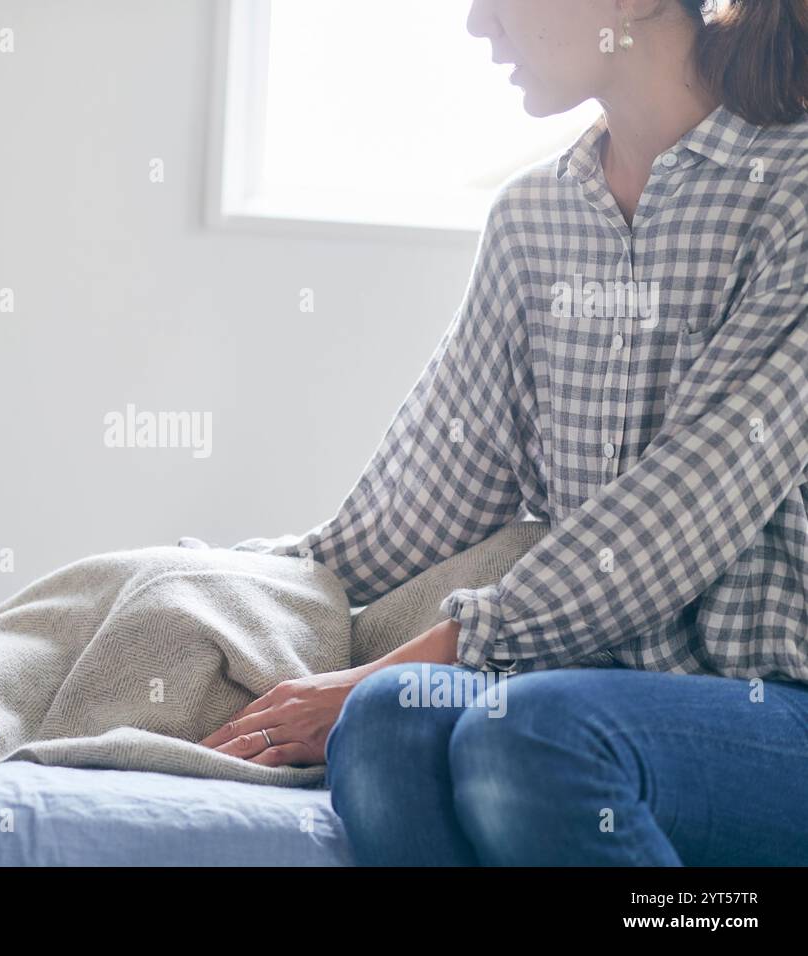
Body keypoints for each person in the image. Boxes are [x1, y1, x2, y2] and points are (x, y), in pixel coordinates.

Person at [193, 0, 808, 865]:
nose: (479, 25)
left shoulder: (793, 193)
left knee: (529, 732)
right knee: (384, 725)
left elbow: (678, 517)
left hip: (776, 710)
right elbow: (404, 520)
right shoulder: (532, 221)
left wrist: (427, 652)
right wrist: (194, 586)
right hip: (586, 697)